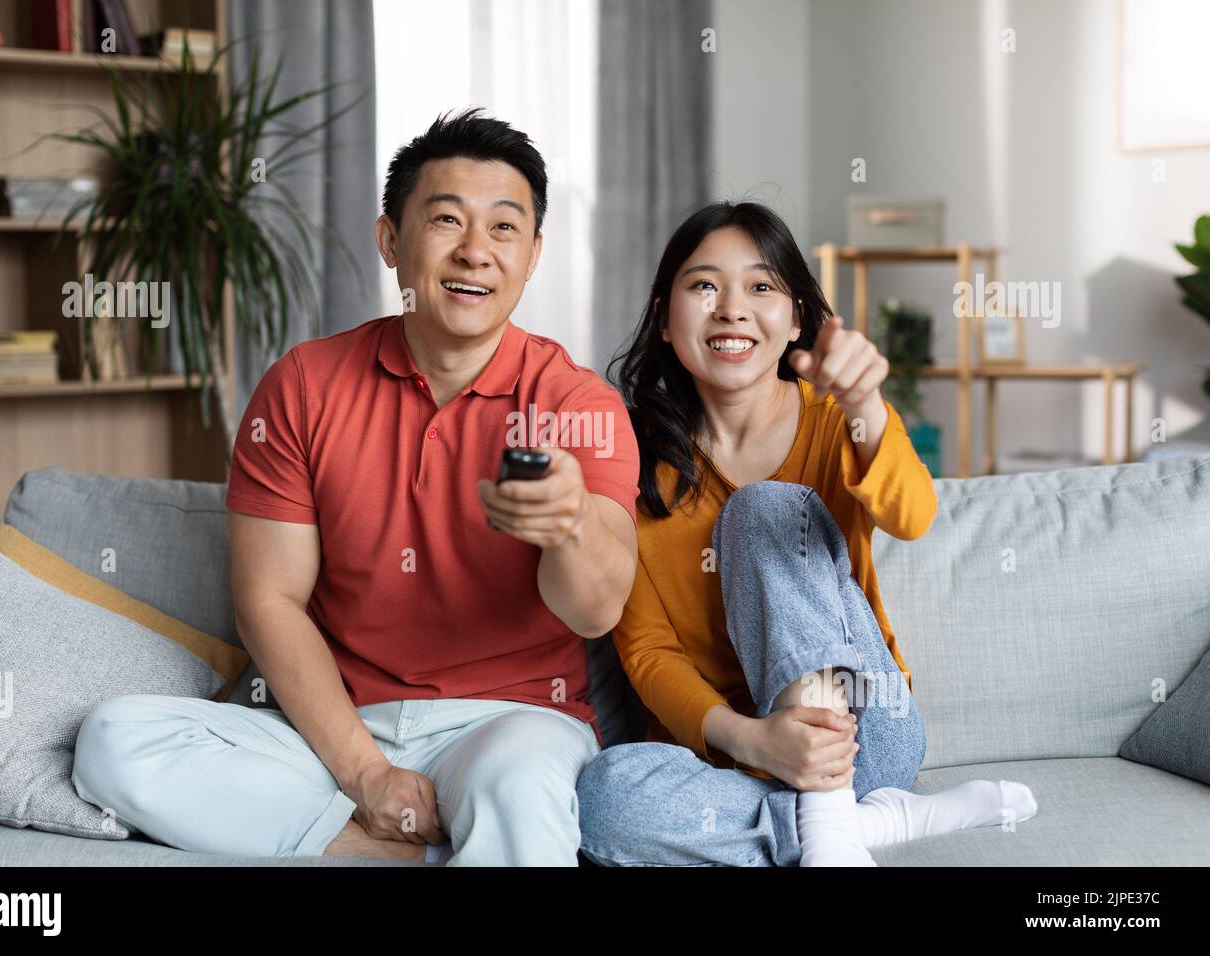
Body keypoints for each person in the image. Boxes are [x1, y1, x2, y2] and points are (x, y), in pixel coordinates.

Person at [71, 108, 640, 866]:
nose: (476, 252)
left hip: (512, 721)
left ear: (533, 255)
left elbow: (598, 610)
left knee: (522, 789)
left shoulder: (576, 404)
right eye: (446, 220)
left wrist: (569, 525)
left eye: (505, 229)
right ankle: (384, 853)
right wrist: (366, 774)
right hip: (338, 725)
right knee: (114, 741)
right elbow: (270, 601)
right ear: (391, 242)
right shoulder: (305, 385)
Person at [576, 201, 1037, 866]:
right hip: (735, 760)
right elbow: (648, 651)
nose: (732, 308)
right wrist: (754, 740)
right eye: (704, 285)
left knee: (763, 510)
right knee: (601, 799)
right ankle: (864, 826)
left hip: (863, 739)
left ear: (795, 318)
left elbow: (912, 516)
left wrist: (867, 409)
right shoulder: (631, 454)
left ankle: (828, 818)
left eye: (761, 287)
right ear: (663, 318)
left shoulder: (834, 417)